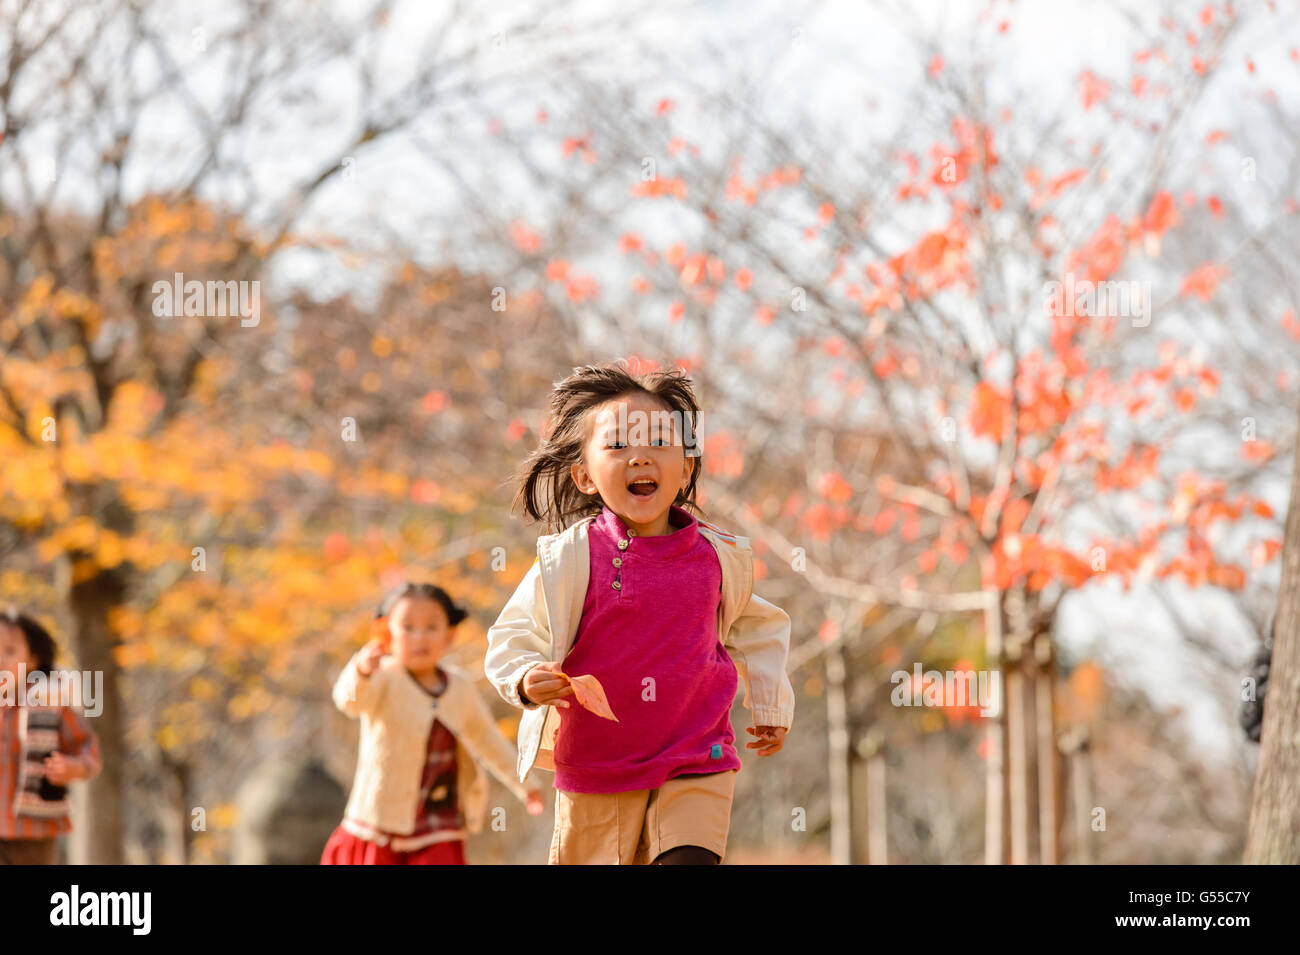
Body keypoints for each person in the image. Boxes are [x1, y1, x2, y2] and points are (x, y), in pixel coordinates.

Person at [485, 360, 795, 865]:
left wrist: (772, 706)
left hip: (698, 756)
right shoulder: (570, 559)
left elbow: (759, 628)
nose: (639, 459)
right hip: (599, 767)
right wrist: (523, 677)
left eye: (657, 443)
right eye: (618, 446)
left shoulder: (718, 558)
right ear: (584, 475)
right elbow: (512, 633)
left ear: (687, 468)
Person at [321, 582, 544, 865]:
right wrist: (362, 669)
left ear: (449, 636)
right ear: (387, 633)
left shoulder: (460, 689)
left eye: (431, 627)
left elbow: (488, 741)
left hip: (438, 821)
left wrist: (526, 785)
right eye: (408, 627)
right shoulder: (383, 679)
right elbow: (349, 701)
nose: (420, 637)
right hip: (380, 822)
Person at [0, 611, 102, 865]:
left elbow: (87, 747)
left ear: (33, 660)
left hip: (33, 832)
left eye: (9, 651)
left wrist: (74, 767)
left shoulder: (50, 704)